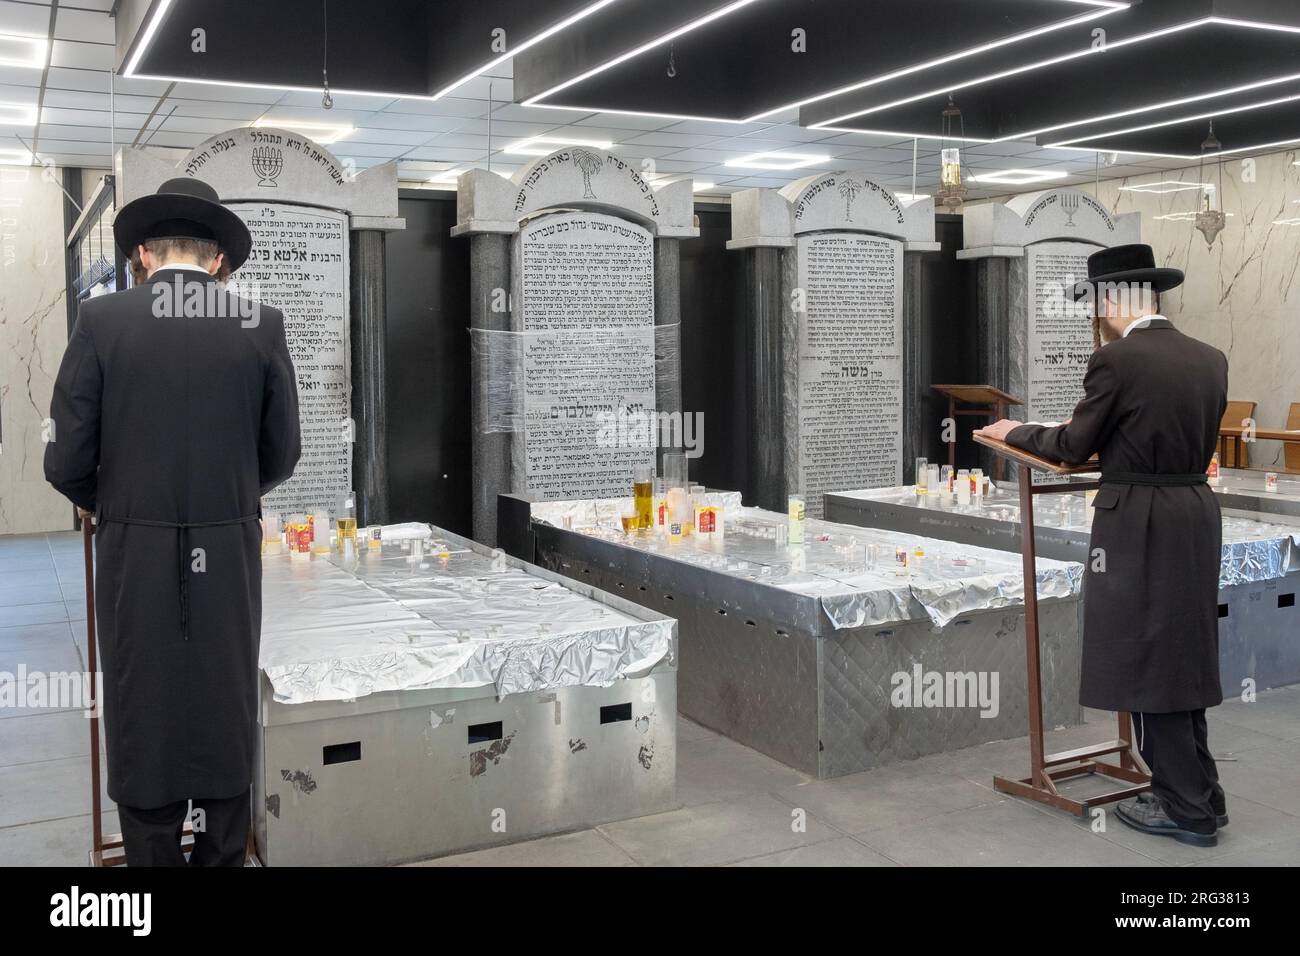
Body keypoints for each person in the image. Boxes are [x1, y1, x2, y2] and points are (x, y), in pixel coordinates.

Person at [44, 177, 302, 866]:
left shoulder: (102, 323)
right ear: (217, 260)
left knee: (144, 705)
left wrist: (109, 499)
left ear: (145, 256)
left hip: (135, 553)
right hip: (228, 551)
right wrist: (229, 495)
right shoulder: (262, 324)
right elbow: (282, 453)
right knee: (221, 702)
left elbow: (66, 456)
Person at [976, 243, 1229, 847]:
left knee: (1147, 657)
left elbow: (1073, 443)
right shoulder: (1209, 357)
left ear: (1113, 299)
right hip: (1194, 512)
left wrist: (1013, 430)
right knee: (1181, 651)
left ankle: (1185, 810)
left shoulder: (1118, 360)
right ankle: (1203, 793)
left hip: (1140, 519)